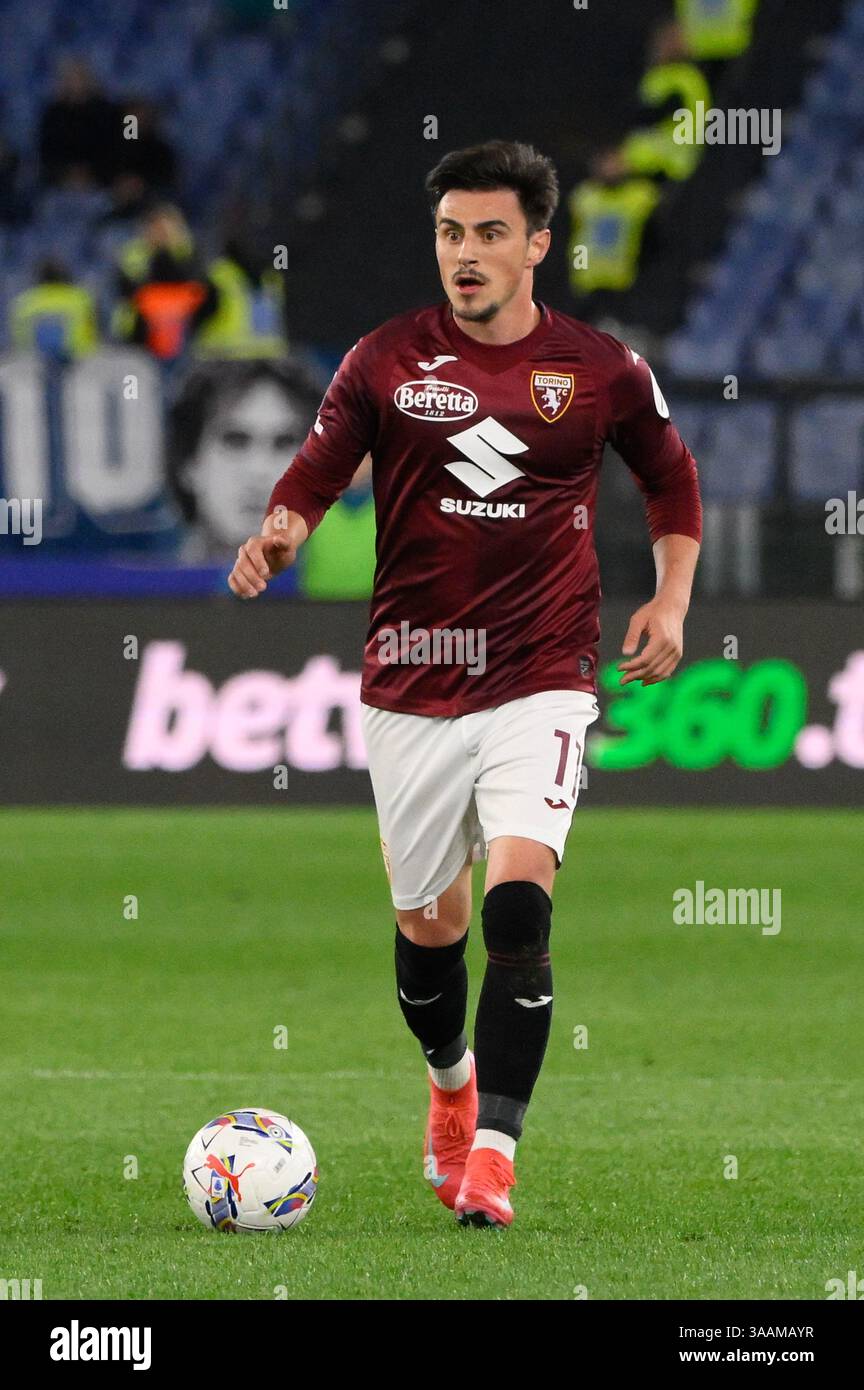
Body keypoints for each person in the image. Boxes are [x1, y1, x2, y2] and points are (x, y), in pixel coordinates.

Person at [228, 140, 702, 1228]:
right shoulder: (386, 359)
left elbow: (669, 476)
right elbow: (319, 461)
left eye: (491, 233)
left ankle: (495, 1154)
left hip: (542, 675)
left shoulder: (601, 369)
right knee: (428, 934)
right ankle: (451, 1086)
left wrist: (671, 600)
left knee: (520, 903)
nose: (467, 254)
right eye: (451, 233)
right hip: (411, 681)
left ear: (540, 243)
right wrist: (284, 527)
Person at [38, 57, 120, 189]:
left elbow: (113, 147)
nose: (75, 83)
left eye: (79, 78)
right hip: (61, 181)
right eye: (70, 79)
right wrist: (67, 172)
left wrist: (90, 173)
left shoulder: (106, 111)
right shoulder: (53, 113)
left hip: (100, 181)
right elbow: (47, 149)